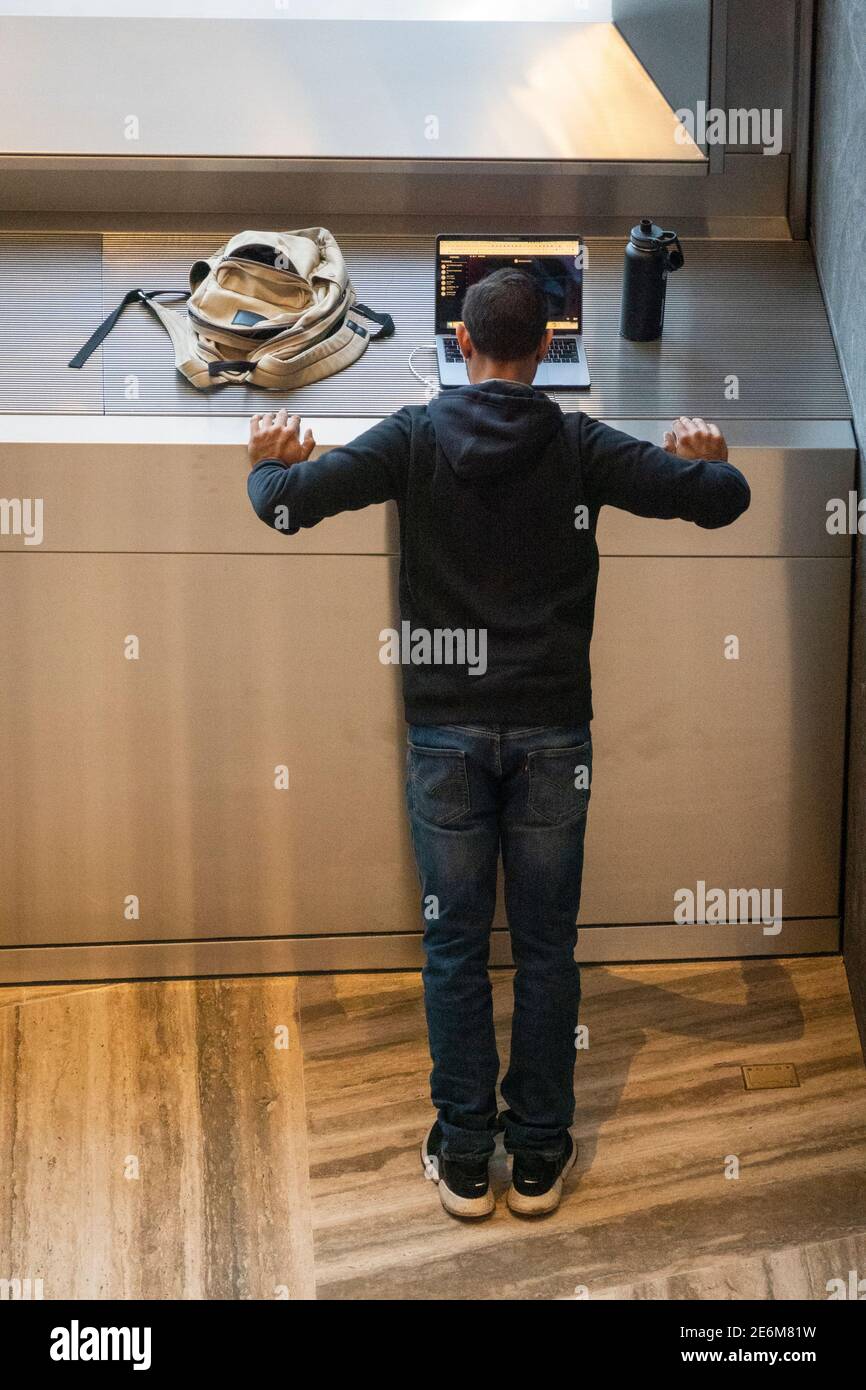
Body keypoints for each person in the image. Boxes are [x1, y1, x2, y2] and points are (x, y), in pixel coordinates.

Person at [246, 268, 750, 1221]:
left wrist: (266, 460)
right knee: (549, 947)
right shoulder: (579, 441)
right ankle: (540, 1157)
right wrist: (711, 456)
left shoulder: (414, 434)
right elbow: (720, 499)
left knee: (455, 943)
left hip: (445, 737)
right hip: (557, 733)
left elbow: (284, 503)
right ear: (551, 350)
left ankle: (468, 1156)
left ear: (461, 346)